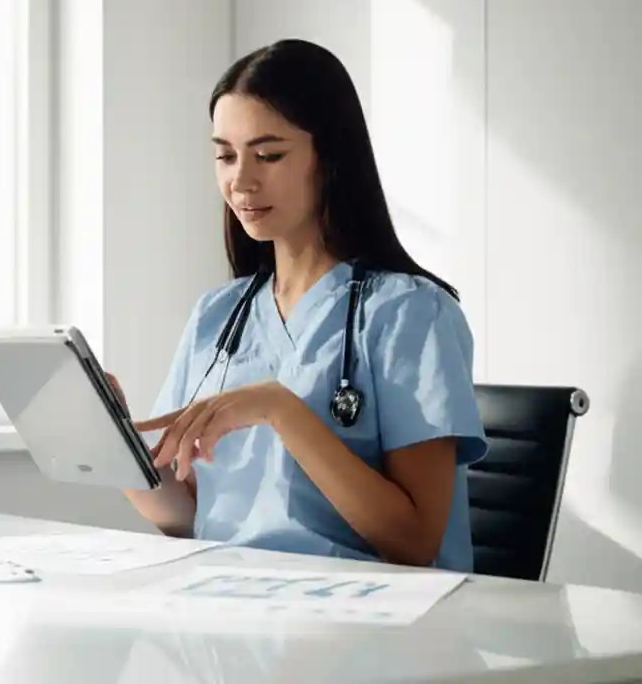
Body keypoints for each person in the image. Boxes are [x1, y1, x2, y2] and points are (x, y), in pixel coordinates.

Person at [109, 39, 487, 572]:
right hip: (236, 597)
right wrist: (114, 442)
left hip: (368, 608)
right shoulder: (218, 316)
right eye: (225, 156)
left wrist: (282, 410)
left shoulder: (410, 314)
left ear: (330, 159)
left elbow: (414, 542)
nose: (241, 181)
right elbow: (190, 517)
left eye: (268, 155)